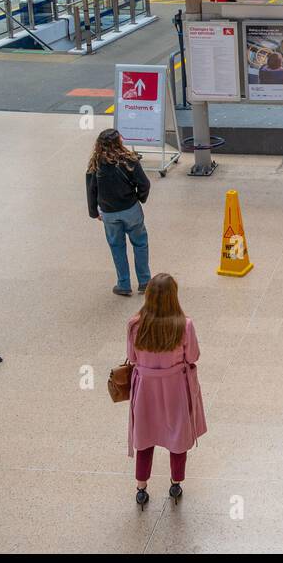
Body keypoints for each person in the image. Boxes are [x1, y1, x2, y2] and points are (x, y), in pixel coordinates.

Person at [127, 274, 206, 510]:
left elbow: (132, 358)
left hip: (145, 390)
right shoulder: (184, 325)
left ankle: (141, 487)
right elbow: (193, 356)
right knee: (177, 438)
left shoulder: (134, 324)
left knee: (145, 436)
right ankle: (175, 483)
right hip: (175, 389)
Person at [86, 129, 152, 296]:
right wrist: (139, 198)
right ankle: (144, 282)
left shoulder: (95, 164)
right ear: (119, 142)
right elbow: (145, 184)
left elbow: (91, 190)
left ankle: (123, 284)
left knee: (117, 247)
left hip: (109, 213)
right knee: (140, 243)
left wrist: (94, 212)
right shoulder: (130, 161)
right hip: (131, 209)